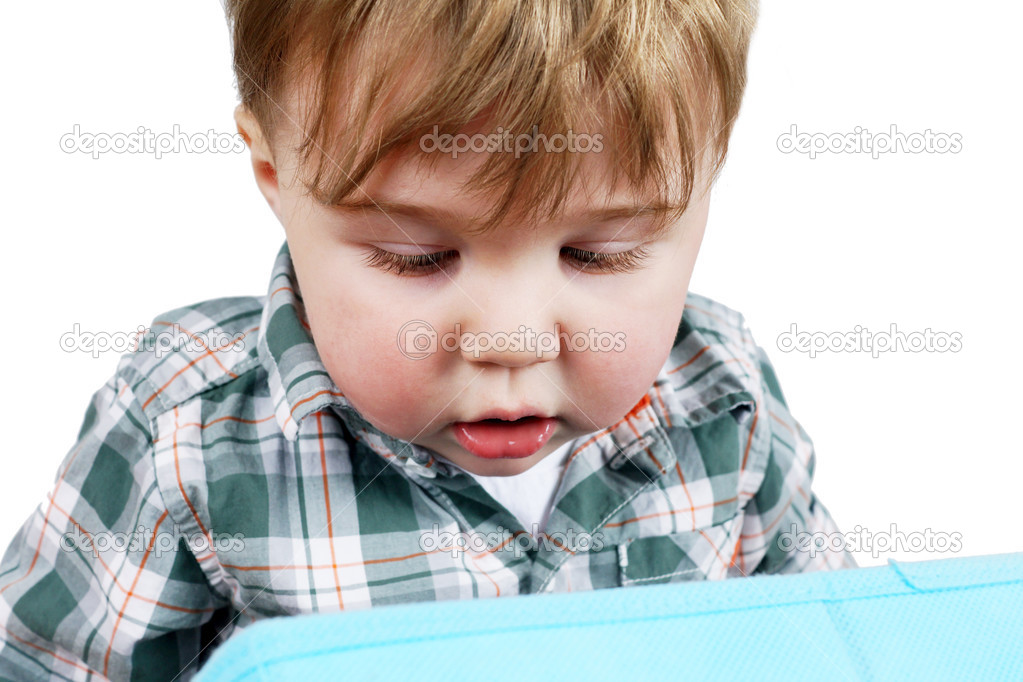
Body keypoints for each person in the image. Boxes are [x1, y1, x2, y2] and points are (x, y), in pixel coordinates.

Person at [0, 0, 855, 678]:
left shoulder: (724, 402)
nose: (513, 340)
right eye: (418, 257)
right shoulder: (188, 435)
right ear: (273, 175)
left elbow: (844, 646)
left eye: (599, 254)